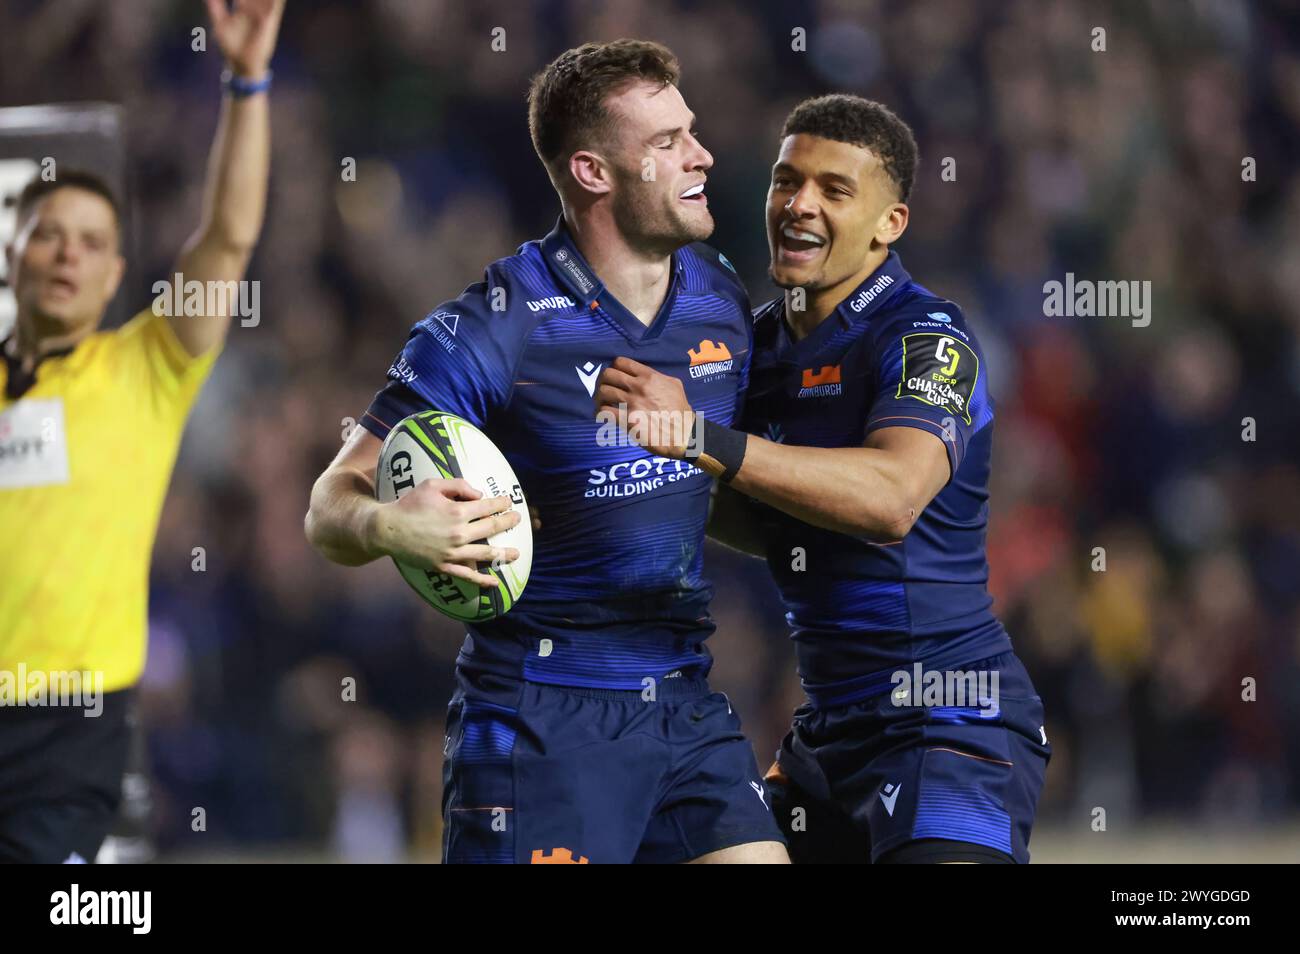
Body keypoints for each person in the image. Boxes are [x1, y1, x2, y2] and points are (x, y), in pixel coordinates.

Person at [305, 40, 787, 864]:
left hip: (682, 701)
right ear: (595, 173)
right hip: (540, 720)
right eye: (667, 142)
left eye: (692, 132)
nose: (701, 155)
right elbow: (328, 506)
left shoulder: (721, 296)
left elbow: (736, 490)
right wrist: (393, 528)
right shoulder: (501, 320)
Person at [595, 94, 1050, 863]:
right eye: (786, 181)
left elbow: (891, 497)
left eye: (835, 190)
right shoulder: (753, 346)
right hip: (829, 739)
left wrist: (701, 439)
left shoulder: (925, 337)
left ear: (889, 224)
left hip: (950, 718)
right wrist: (639, 475)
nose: (799, 205)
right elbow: (768, 517)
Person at [0, 0, 284, 863]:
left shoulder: (146, 368)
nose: (68, 254)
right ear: (13, 251)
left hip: (68, 728)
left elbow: (229, 240)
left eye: (91, 241)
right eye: (48, 235)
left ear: (117, 271)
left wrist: (246, 84)